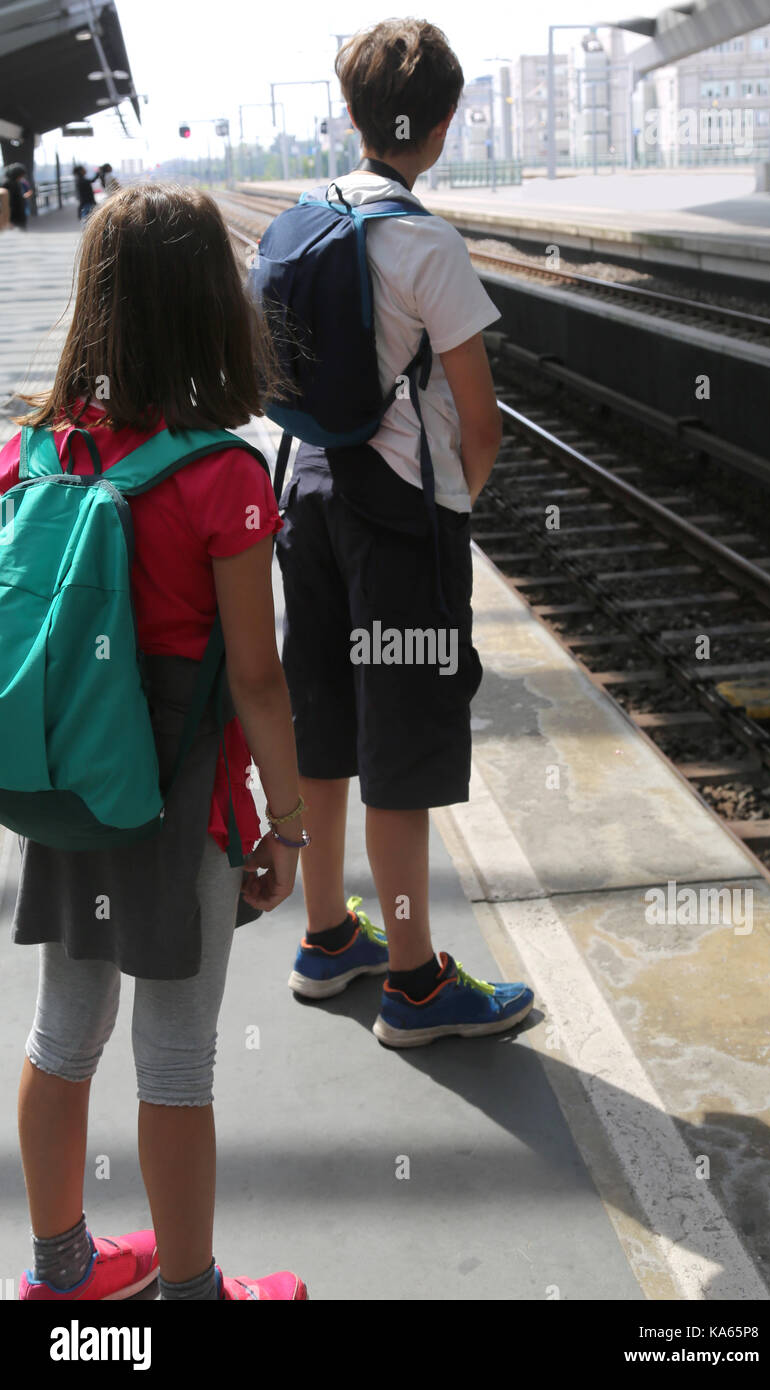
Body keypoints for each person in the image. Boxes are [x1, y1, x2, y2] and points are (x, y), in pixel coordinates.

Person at [0, 184, 308, 1301]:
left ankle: (61, 1271)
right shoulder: (223, 477)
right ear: (211, 311)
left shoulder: (30, 452)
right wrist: (290, 826)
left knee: (63, 1027)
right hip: (183, 807)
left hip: (67, 793)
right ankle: (189, 1293)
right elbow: (256, 676)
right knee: (176, 1057)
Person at [273, 18, 535, 1044]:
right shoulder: (424, 243)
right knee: (401, 744)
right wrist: (446, 520)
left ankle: (329, 935)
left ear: (350, 116)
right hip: (394, 523)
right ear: (442, 126)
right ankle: (417, 984)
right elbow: (480, 424)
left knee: (327, 718)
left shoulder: (299, 219)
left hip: (305, 496)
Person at [3, 163, 33, 229]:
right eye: (21, 175)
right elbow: (10, 202)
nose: (22, 177)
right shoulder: (8, 184)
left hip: (19, 214)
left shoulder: (17, 183)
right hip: (13, 216)